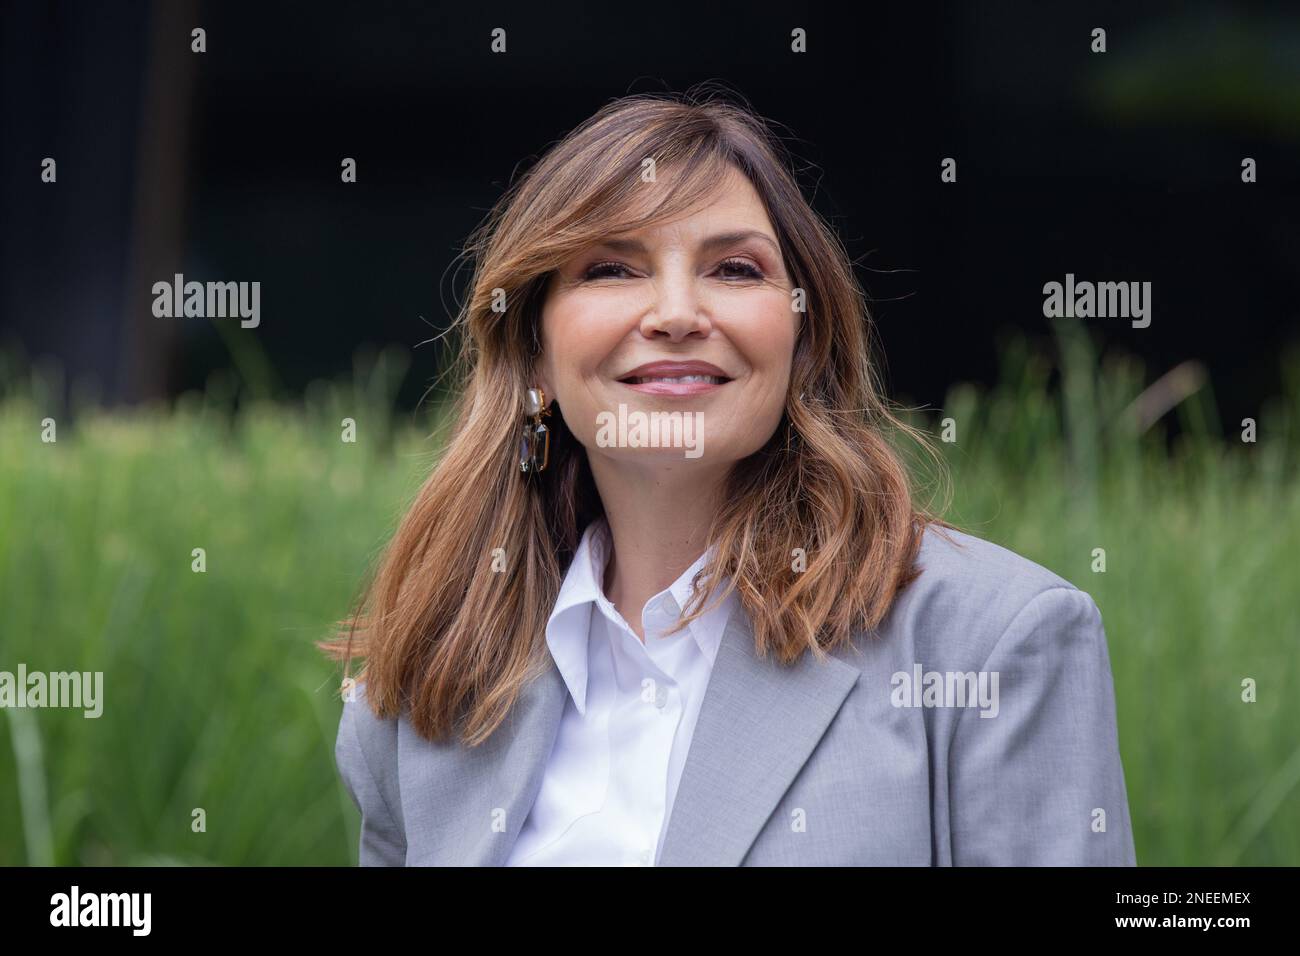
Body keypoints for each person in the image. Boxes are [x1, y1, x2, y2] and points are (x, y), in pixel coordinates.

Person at [322, 88, 1136, 867]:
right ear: (534, 353)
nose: (677, 312)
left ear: (802, 340)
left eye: (735, 270)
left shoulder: (996, 643)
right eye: (611, 268)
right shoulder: (425, 693)